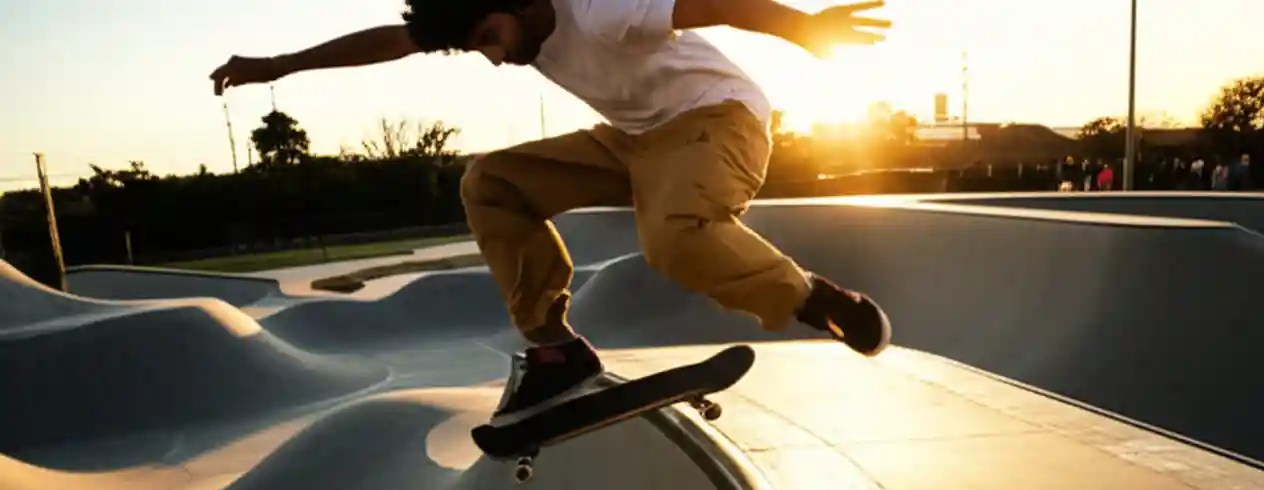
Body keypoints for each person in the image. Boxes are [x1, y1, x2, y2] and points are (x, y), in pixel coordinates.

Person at [210, 0, 895, 421]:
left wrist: (802, 26)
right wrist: (277, 66)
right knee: (489, 184)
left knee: (674, 239)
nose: (497, 58)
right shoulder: (491, 17)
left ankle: (810, 297)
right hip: (630, 142)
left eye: (490, 36)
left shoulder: (597, 5)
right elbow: (391, 41)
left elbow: (713, 4)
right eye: (481, 47)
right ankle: (556, 348)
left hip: (715, 121)